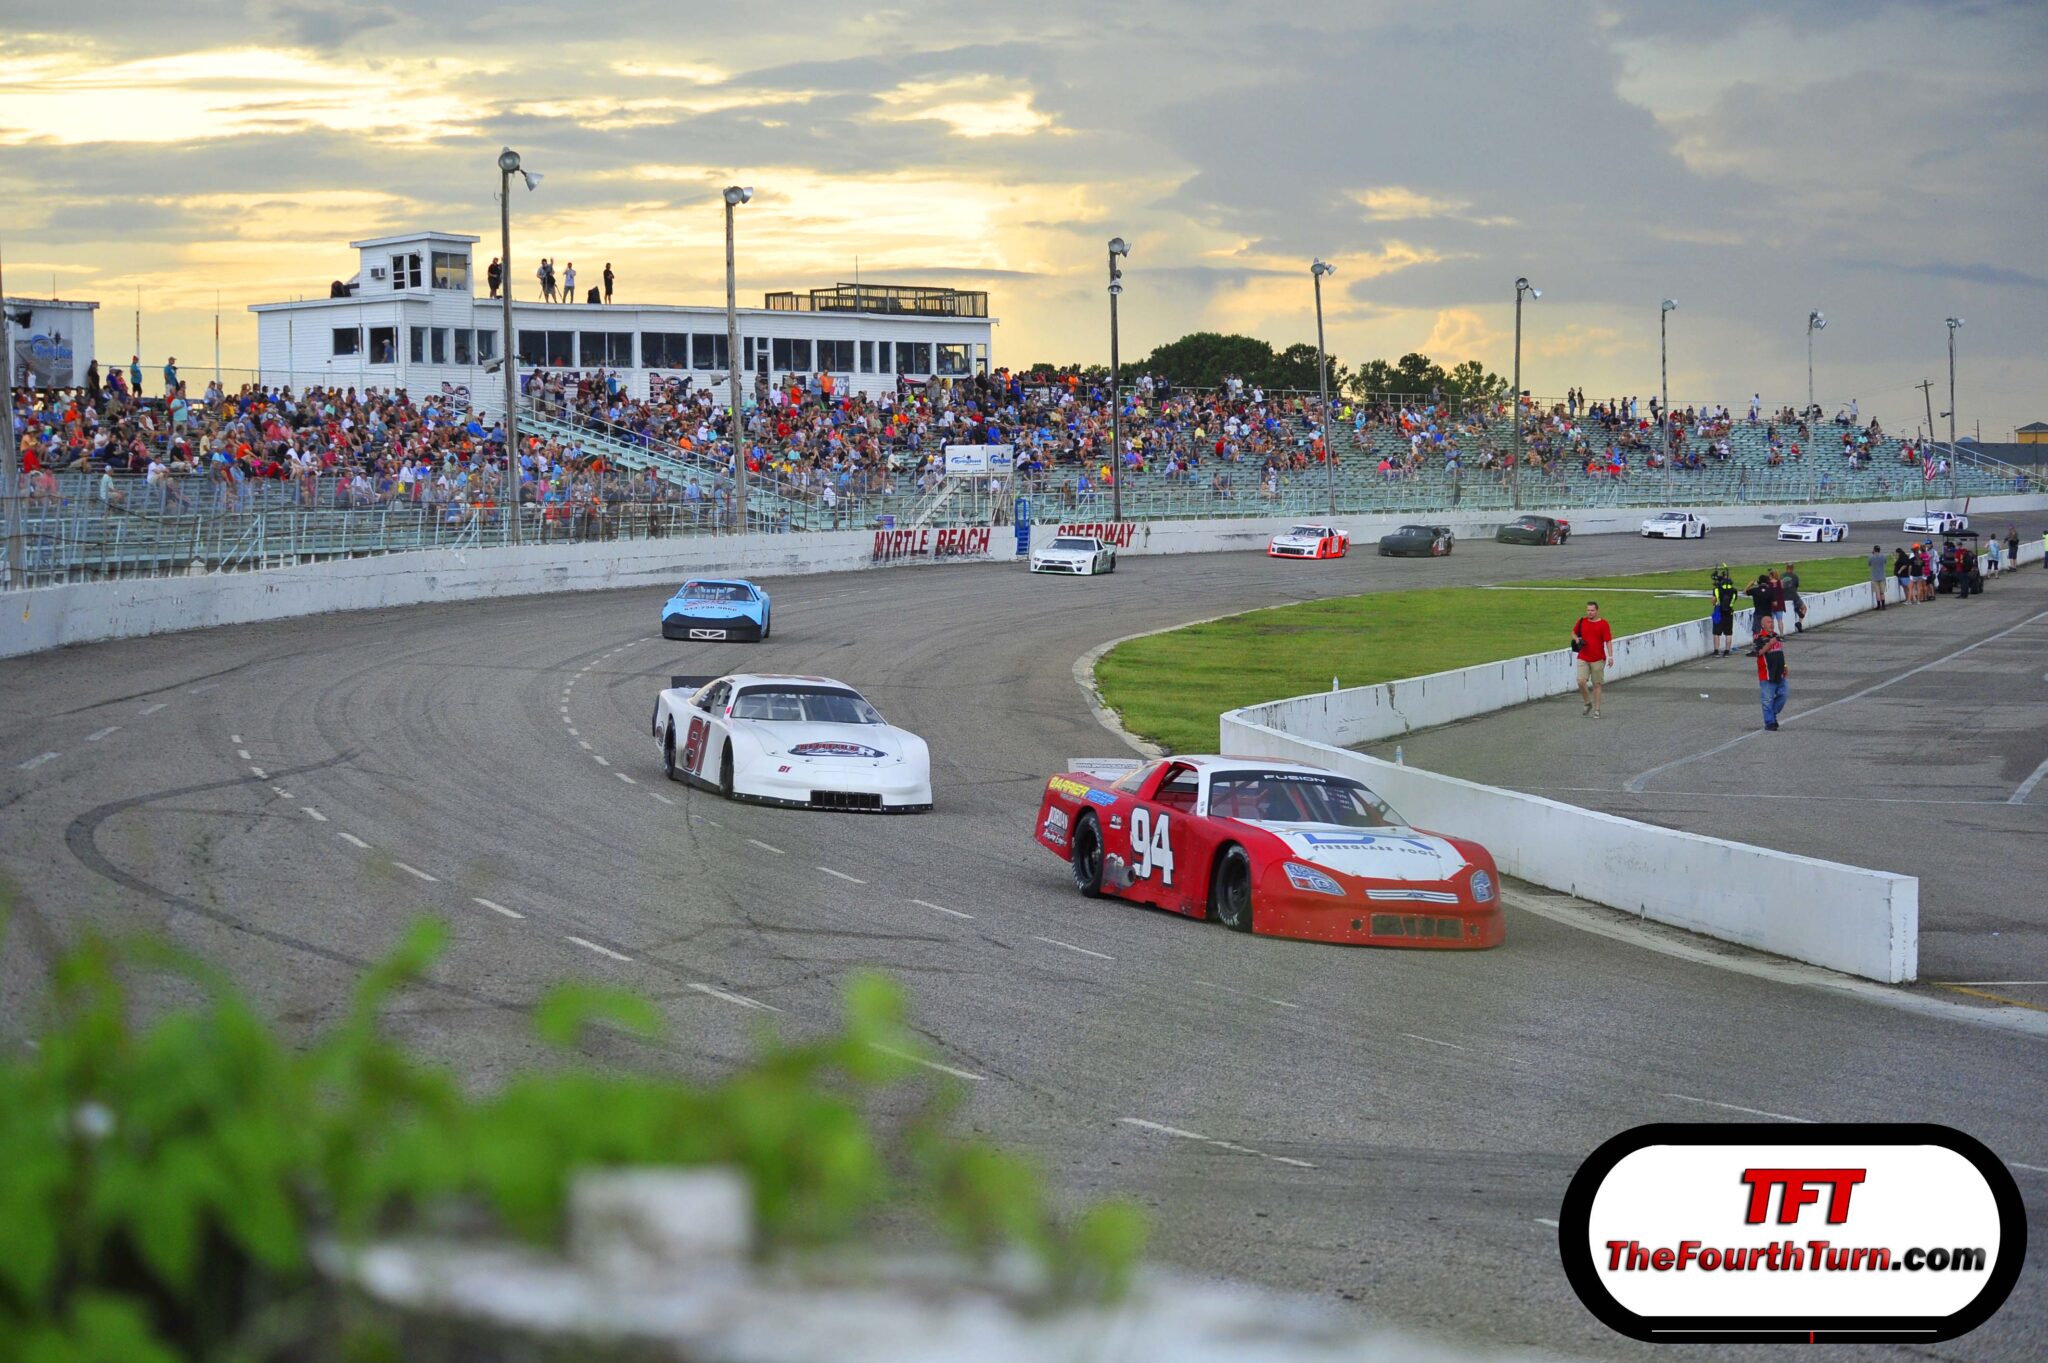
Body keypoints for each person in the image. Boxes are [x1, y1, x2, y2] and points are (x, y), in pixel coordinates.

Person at [1572, 599, 1614, 719]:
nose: (1589, 612)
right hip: (1583, 656)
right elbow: (1573, 633)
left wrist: (1611, 656)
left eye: (1592, 610)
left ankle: (1597, 709)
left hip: (1598, 658)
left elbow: (1608, 641)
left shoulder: (1603, 624)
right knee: (1581, 681)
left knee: (1597, 684)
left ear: (1597, 611)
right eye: (1588, 610)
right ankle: (1587, 702)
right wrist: (1576, 639)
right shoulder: (1582, 621)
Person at [1750, 616, 1789, 731]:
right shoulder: (1758, 638)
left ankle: (1771, 715)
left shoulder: (1775, 636)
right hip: (1766, 675)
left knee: (1784, 694)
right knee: (1767, 700)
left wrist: (1785, 666)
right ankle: (1770, 723)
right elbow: (1758, 652)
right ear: (1763, 625)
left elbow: (1780, 653)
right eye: (1768, 622)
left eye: (1772, 621)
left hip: (1779, 673)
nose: (1771, 624)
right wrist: (1769, 644)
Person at [1710, 565, 1738, 656]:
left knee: (1716, 632)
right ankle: (1727, 651)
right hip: (1729, 612)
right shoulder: (1734, 591)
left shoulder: (1717, 590)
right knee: (1728, 632)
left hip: (1718, 611)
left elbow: (1713, 602)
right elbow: (1734, 600)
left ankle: (1716, 651)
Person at [1782, 563, 1805, 632]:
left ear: (1786, 568)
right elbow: (1796, 586)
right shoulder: (1795, 576)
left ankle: (1796, 608)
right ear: (1793, 568)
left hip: (1784, 595)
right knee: (1804, 608)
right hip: (1793, 595)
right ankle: (1799, 622)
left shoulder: (1781, 576)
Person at [1868, 545, 1889, 610]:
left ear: (1874, 550)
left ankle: (1878, 605)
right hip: (1882, 576)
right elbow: (1885, 562)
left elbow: (1869, 564)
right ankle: (1883, 606)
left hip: (1875, 577)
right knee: (1882, 592)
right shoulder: (1883, 556)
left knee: (1877, 592)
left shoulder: (1871, 557)